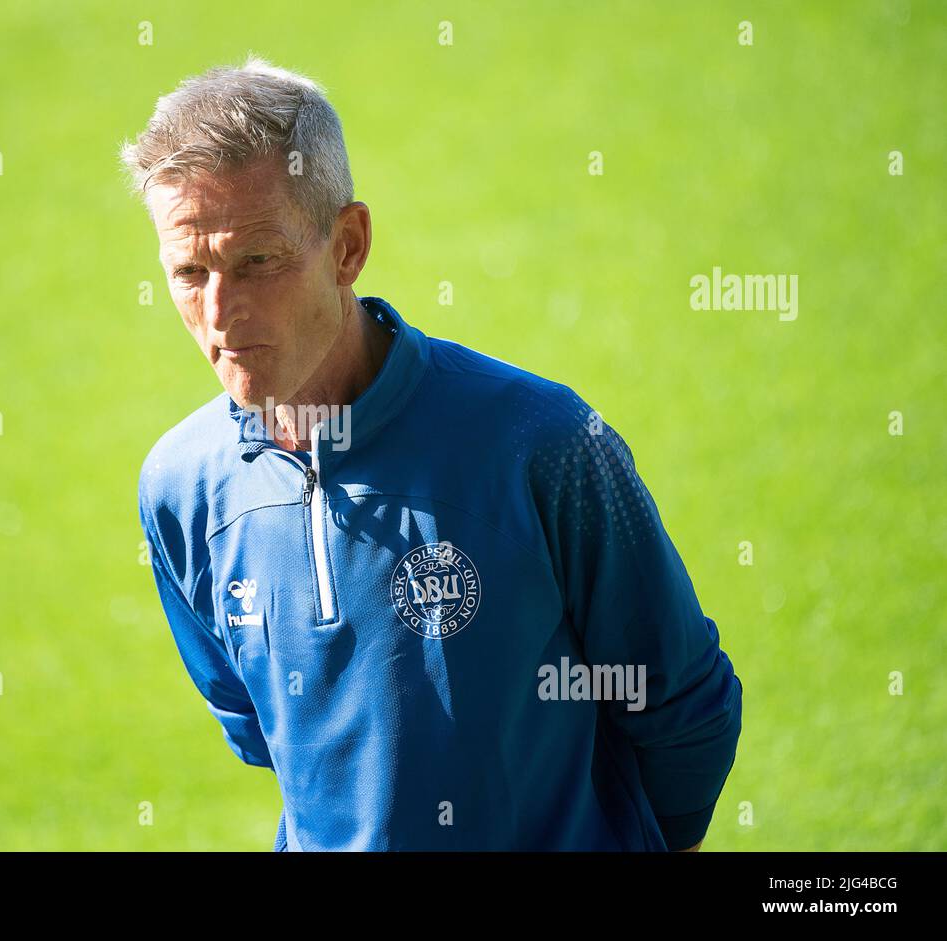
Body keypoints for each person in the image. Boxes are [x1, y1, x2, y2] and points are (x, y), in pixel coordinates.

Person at [122, 55, 742, 851]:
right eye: (189, 271)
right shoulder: (181, 488)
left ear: (347, 246)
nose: (220, 313)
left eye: (257, 262)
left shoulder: (541, 442)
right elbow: (257, 729)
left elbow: (684, 707)